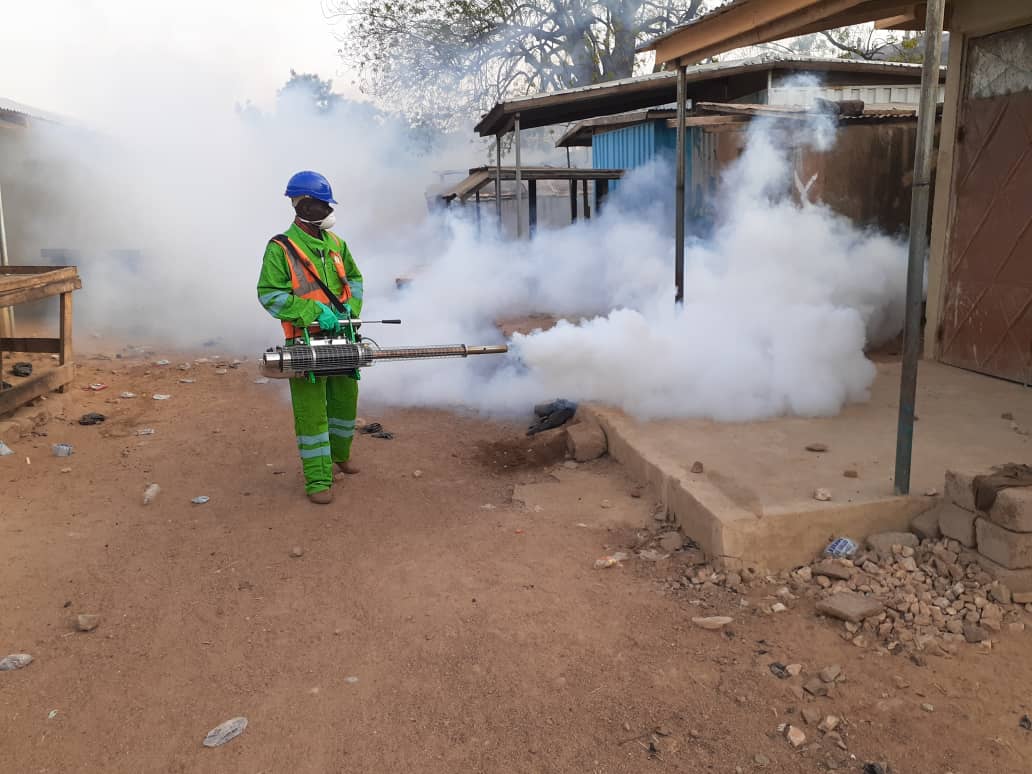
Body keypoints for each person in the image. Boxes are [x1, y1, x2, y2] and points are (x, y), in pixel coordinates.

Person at [257, 171, 364, 504]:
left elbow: (356, 281)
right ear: (301, 204)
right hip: (305, 341)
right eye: (321, 204)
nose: (328, 211)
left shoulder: (337, 245)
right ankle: (318, 480)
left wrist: (349, 309)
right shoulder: (281, 248)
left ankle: (340, 455)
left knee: (345, 402)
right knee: (312, 412)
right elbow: (270, 295)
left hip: (342, 335)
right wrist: (315, 313)